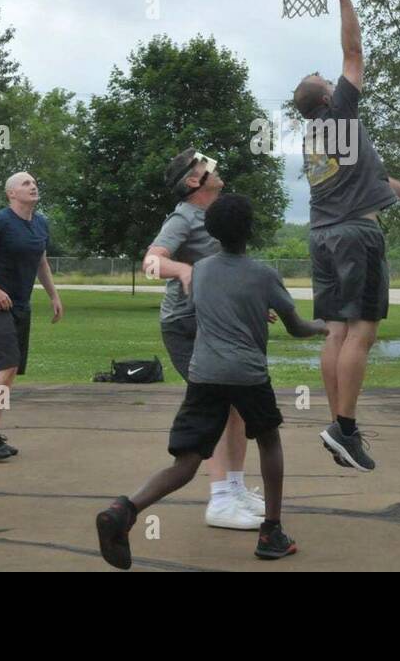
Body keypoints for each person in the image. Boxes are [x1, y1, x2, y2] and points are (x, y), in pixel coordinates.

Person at [95, 194, 325, 569]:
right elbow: (296, 328)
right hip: (248, 375)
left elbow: (215, 304)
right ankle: (272, 532)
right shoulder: (264, 274)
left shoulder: (199, 270)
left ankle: (125, 509)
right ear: (250, 231)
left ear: (212, 232)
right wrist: (320, 326)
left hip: (204, 375)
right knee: (269, 441)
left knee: (186, 463)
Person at [293, 0, 400, 472]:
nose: (329, 74)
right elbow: (355, 53)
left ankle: (338, 426)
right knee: (362, 331)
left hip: (322, 236)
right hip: (355, 237)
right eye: (322, 78)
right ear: (325, 97)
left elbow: (375, 185)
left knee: (338, 332)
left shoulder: (314, 139)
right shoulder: (338, 112)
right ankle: (344, 428)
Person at [143, 148, 263, 530]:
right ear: (193, 182)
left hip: (214, 323)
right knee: (215, 407)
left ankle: (236, 488)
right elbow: (151, 261)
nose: (214, 167)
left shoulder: (212, 216)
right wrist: (180, 269)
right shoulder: (183, 218)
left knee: (237, 409)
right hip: (185, 326)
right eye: (205, 166)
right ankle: (220, 501)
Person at [0, 171, 64, 461]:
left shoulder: (40, 224)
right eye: (26, 183)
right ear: (11, 193)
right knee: (8, 365)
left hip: (21, 306)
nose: (33, 186)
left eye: (35, 182)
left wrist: (53, 294)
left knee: (10, 373)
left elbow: (41, 261)